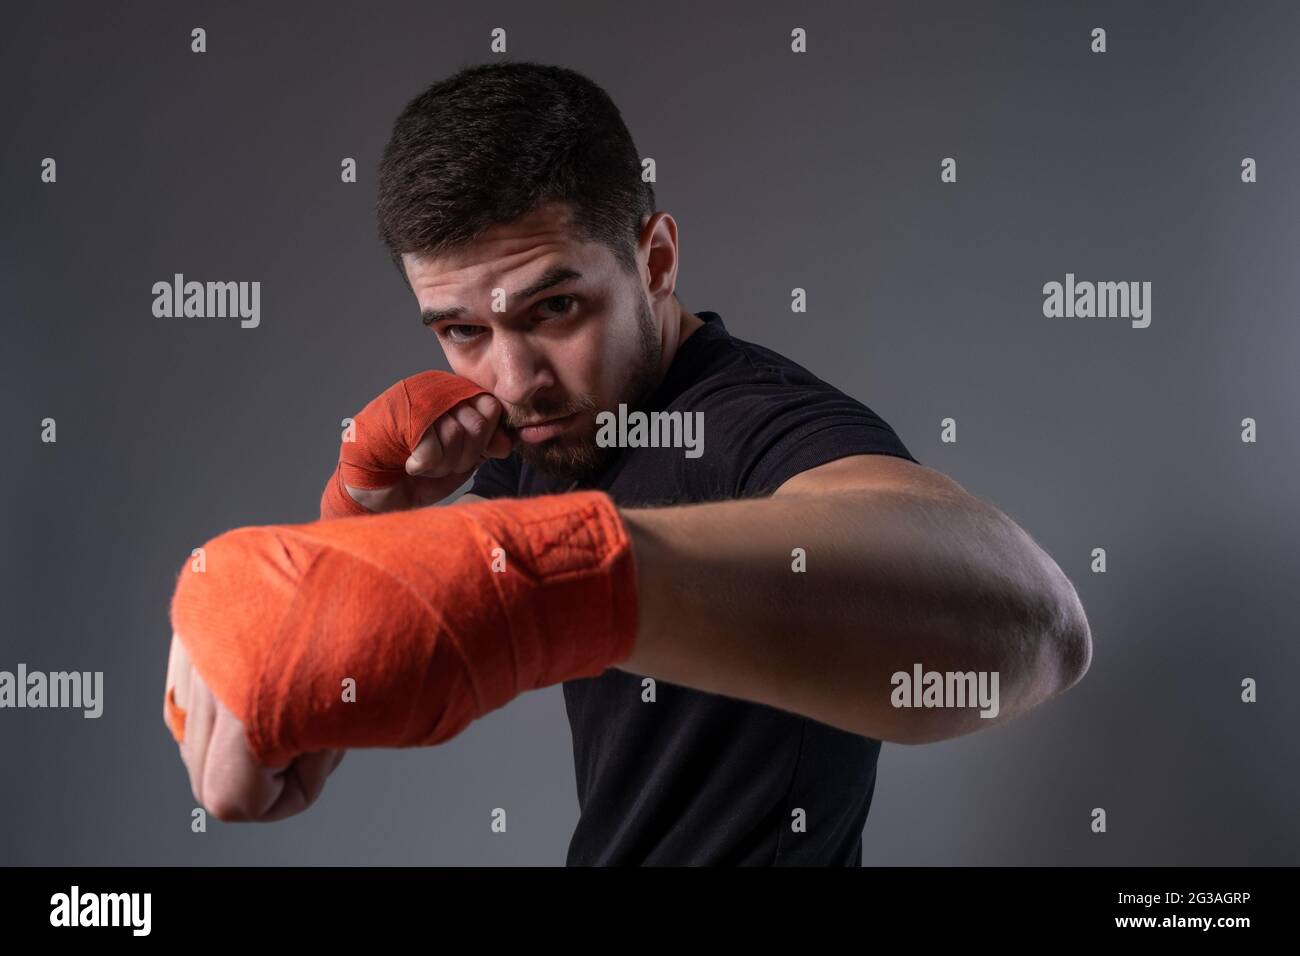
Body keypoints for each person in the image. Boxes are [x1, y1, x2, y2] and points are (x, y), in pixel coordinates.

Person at [164, 61, 1092, 865]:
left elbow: (1038, 624)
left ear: (654, 260)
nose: (515, 379)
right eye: (462, 331)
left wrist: (549, 581)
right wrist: (359, 530)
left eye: (555, 309)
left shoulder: (745, 424)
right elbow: (353, 675)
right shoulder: (551, 428)